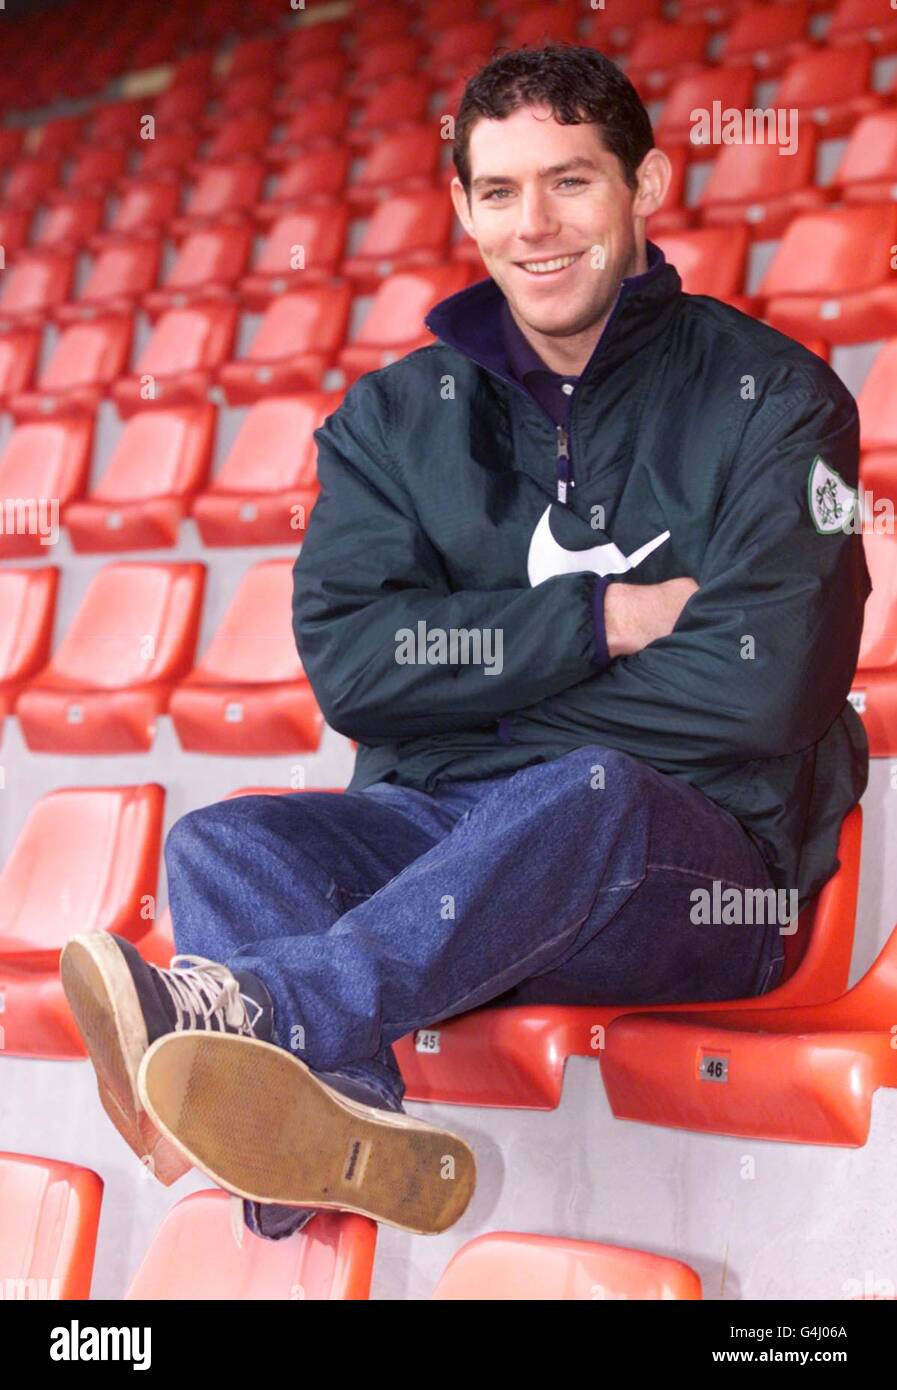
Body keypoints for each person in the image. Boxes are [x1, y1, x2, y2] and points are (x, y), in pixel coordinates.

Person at [62, 44, 870, 1242]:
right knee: (225, 842)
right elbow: (354, 670)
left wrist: (469, 697)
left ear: (644, 187)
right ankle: (340, 1121)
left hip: (693, 869)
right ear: (462, 207)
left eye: (571, 183)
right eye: (499, 192)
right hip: (452, 855)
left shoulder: (782, 399)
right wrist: (603, 622)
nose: (533, 226)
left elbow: (763, 690)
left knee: (583, 792)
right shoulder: (393, 421)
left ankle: (251, 1009)